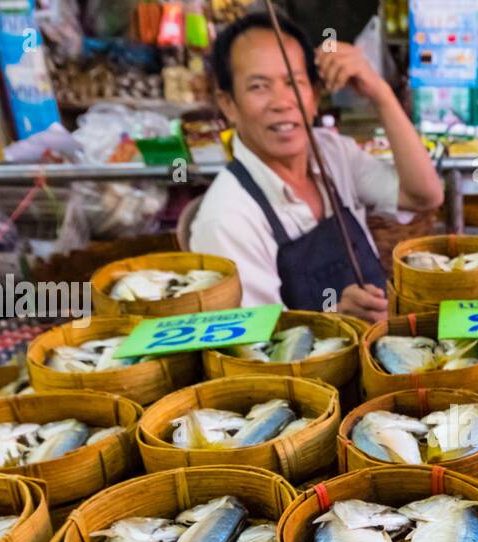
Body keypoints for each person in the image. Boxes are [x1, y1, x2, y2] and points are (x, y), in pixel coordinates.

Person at [190, 13, 443, 321]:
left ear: (314, 96)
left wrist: (380, 94)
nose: (282, 102)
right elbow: (252, 350)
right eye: (259, 86)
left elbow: (423, 196)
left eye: (293, 82)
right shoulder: (226, 218)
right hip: (305, 368)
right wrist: (334, 320)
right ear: (229, 104)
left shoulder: (332, 152)